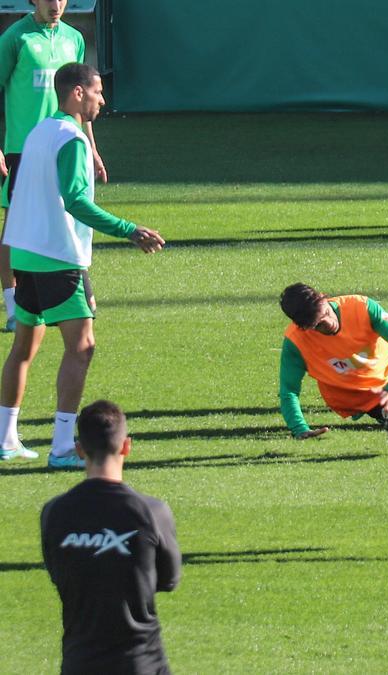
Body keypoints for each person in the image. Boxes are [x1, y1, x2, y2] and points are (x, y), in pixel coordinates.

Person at [0, 63, 163, 468]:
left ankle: (6, 439)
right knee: (82, 348)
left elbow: (17, 194)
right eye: (97, 91)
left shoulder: (38, 132)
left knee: (23, 348)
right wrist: (129, 230)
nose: (101, 100)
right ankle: (60, 447)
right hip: (57, 256)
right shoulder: (72, 140)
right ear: (77, 92)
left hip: (25, 254)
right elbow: (75, 200)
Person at [41, 399, 181, 674]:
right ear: (126, 446)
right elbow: (169, 579)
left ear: (80, 450)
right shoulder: (153, 512)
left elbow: (59, 573)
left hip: (79, 663)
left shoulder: (54, 512)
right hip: (142, 663)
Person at [0, 0, 106, 332]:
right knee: (15, 227)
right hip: (23, 149)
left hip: (64, 146)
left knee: (70, 215)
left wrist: (91, 145)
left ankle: (72, 292)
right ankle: (13, 305)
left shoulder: (74, 38)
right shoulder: (15, 38)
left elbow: (84, 96)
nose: (56, 4)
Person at [277, 282, 388, 448]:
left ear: (324, 297)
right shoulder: (296, 343)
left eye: (326, 314)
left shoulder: (360, 307)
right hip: (369, 394)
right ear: (302, 327)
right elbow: (289, 391)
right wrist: (299, 428)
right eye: (318, 325)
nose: (328, 324)